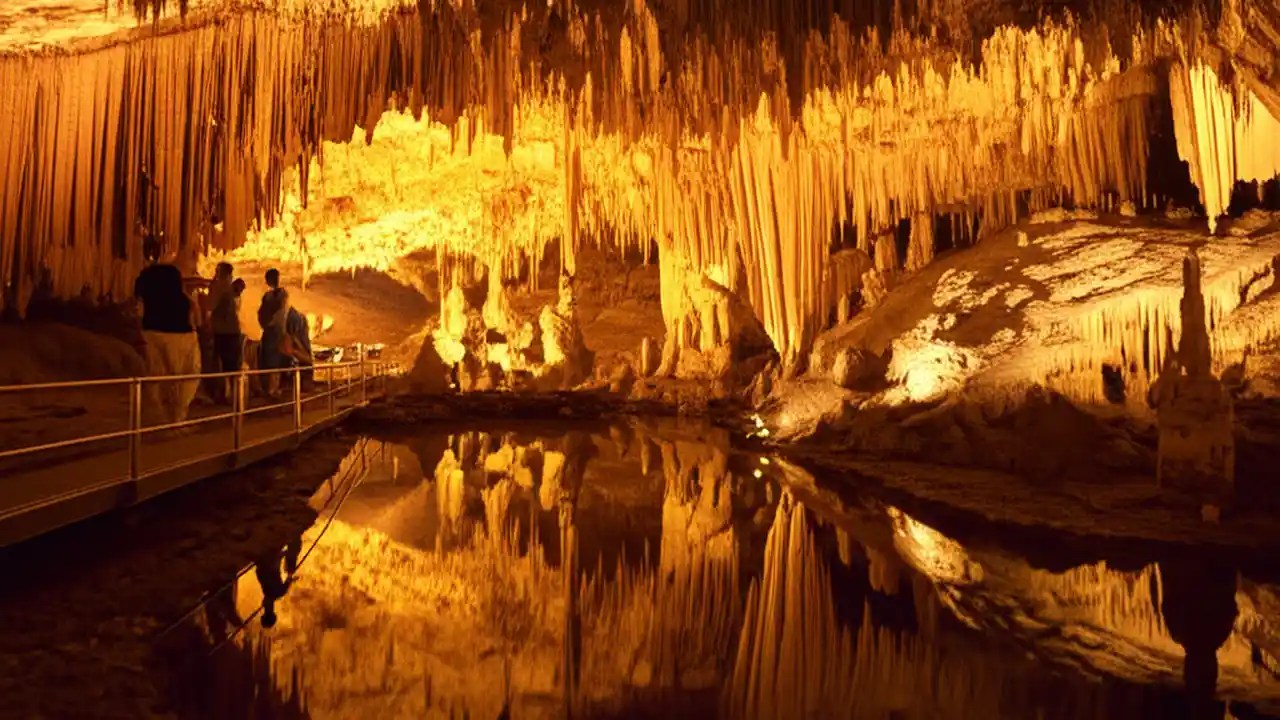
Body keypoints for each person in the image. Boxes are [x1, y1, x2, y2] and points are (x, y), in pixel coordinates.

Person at [133, 263, 201, 425]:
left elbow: (138, 315)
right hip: (183, 339)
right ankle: (177, 417)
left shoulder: (149, 299)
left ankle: (160, 420)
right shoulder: (185, 301)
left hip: (153, 335)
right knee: (185, 380)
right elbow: (197, 320)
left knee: (156, 379)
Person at [208, 263, 244, 404]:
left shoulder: (221, 287)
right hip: (230, 331)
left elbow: (210, 305)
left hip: (223, 332)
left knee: (222, 364)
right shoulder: (228, 288)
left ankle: (226, 395)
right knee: (231, 365)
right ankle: (233, 395)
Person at [256, 268, 292, 399]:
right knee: (272, 359)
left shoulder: (279, 294)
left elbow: (277, 310)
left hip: (276, 329)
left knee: (277, 358)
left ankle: (275, 387)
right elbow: (262, 312)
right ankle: (272, 388)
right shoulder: (271, 296)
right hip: (272, 330)